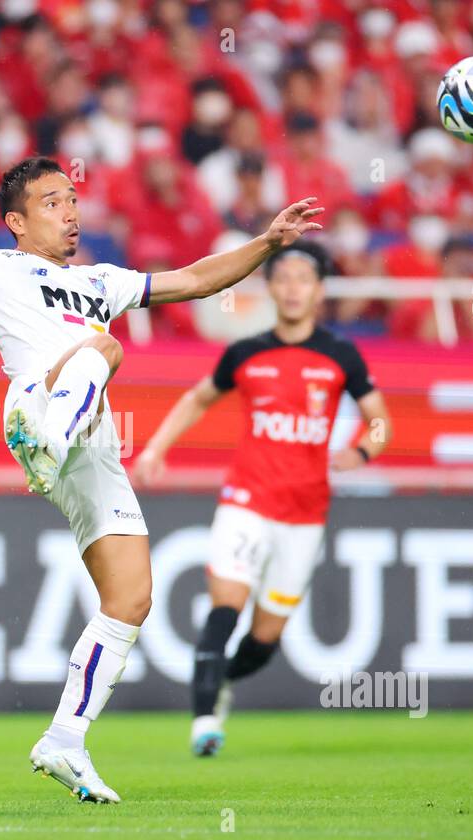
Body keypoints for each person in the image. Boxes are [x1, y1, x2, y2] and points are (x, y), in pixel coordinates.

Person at [0, 156, 323, 803]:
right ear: (16, 221)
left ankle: (65, 740)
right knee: (107, 348)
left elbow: (190, 280)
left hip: (91, 453)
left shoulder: (104, 279)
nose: (70, 212)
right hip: (34, 408)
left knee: (131, 599)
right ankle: (45, 442)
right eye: (52, 202)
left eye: (72, 199)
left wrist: (267, 243)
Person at [132, 241, 391, 756]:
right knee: (224, 610)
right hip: (246, 503)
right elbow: (197, 398)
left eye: (304, 278)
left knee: (264, 641)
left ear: (319, 291)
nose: (293, 287)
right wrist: (156, 448)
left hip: (305, 515)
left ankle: (221, 683)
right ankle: (205, 720)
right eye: (284, 277)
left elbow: (380, 419)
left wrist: (362, 450)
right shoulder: (247, 353)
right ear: (270, 287)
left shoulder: (340, 355)